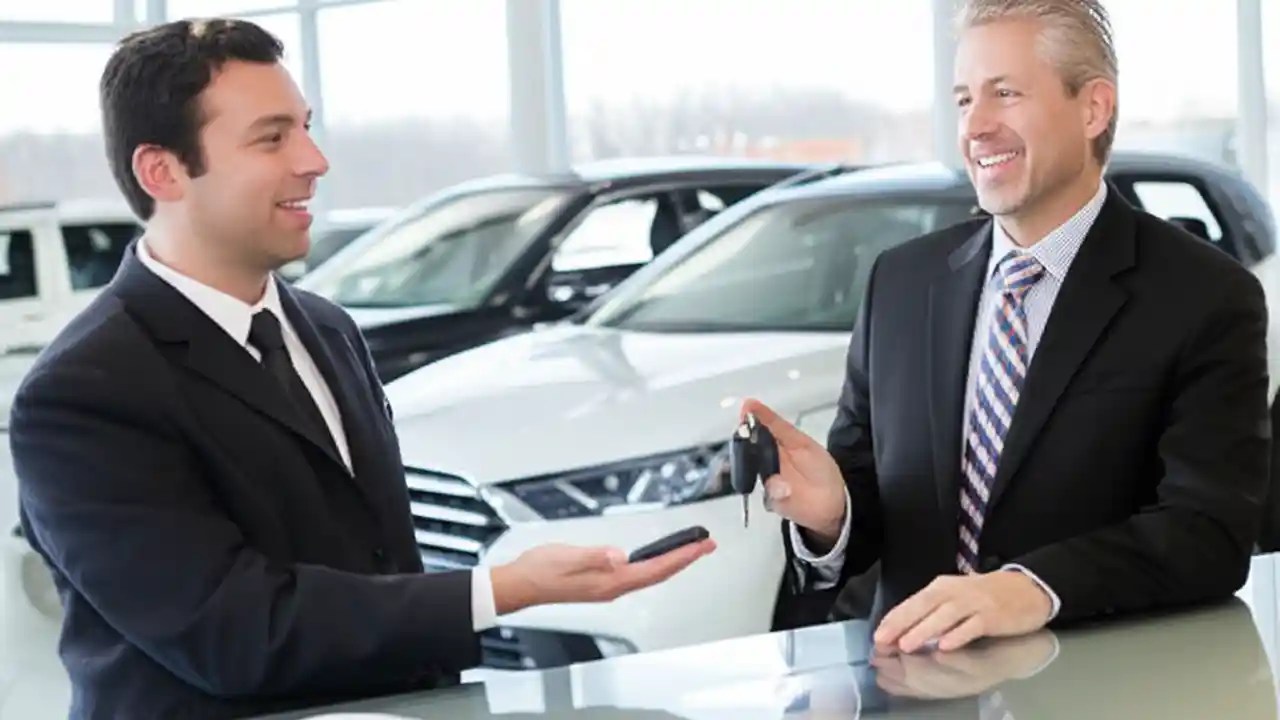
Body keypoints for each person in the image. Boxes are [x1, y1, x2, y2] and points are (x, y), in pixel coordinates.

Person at [8, 18, 714, 719]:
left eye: (307, 128)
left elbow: (378, 561)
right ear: (162, 170)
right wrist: (501, 589)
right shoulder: (82, 393)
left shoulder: (325, 328)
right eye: (272, 137)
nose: (314, 160)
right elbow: (233, 634)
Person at [747, 0, 1269, 655]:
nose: (977, 126)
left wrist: (1029, 586)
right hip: (918, 690)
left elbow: (1209, 534)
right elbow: (871, 507)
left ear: (1093, 108)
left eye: (1006, 93)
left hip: (1096, 687)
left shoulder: (1204, 296)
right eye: (965, 100)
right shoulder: (902, 285)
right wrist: (833, 517)